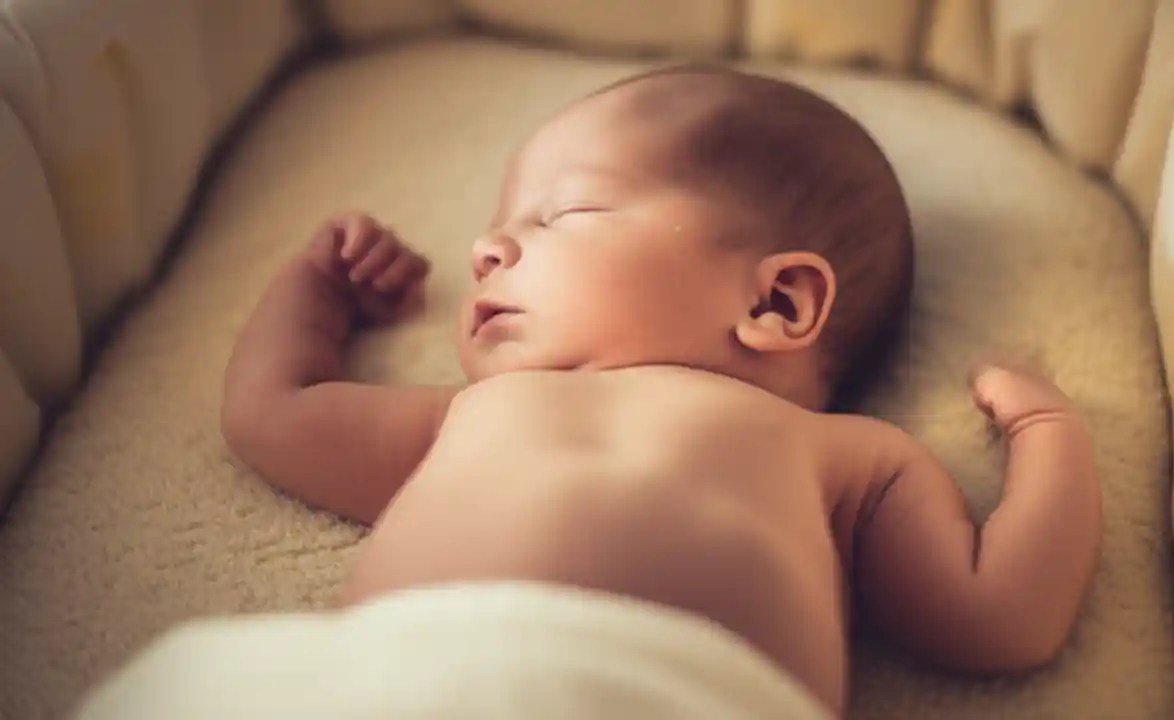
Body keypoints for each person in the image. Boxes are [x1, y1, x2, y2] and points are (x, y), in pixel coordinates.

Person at [220, 65, 1101, 718]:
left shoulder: (851, 459)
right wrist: (317, 289)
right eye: (496, 229)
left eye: (562, 214)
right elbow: (275, 412)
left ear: (775, 302)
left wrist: (1049, 432)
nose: (486, 250)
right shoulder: (467, 414)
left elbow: (999, 616)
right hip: (397, 682)